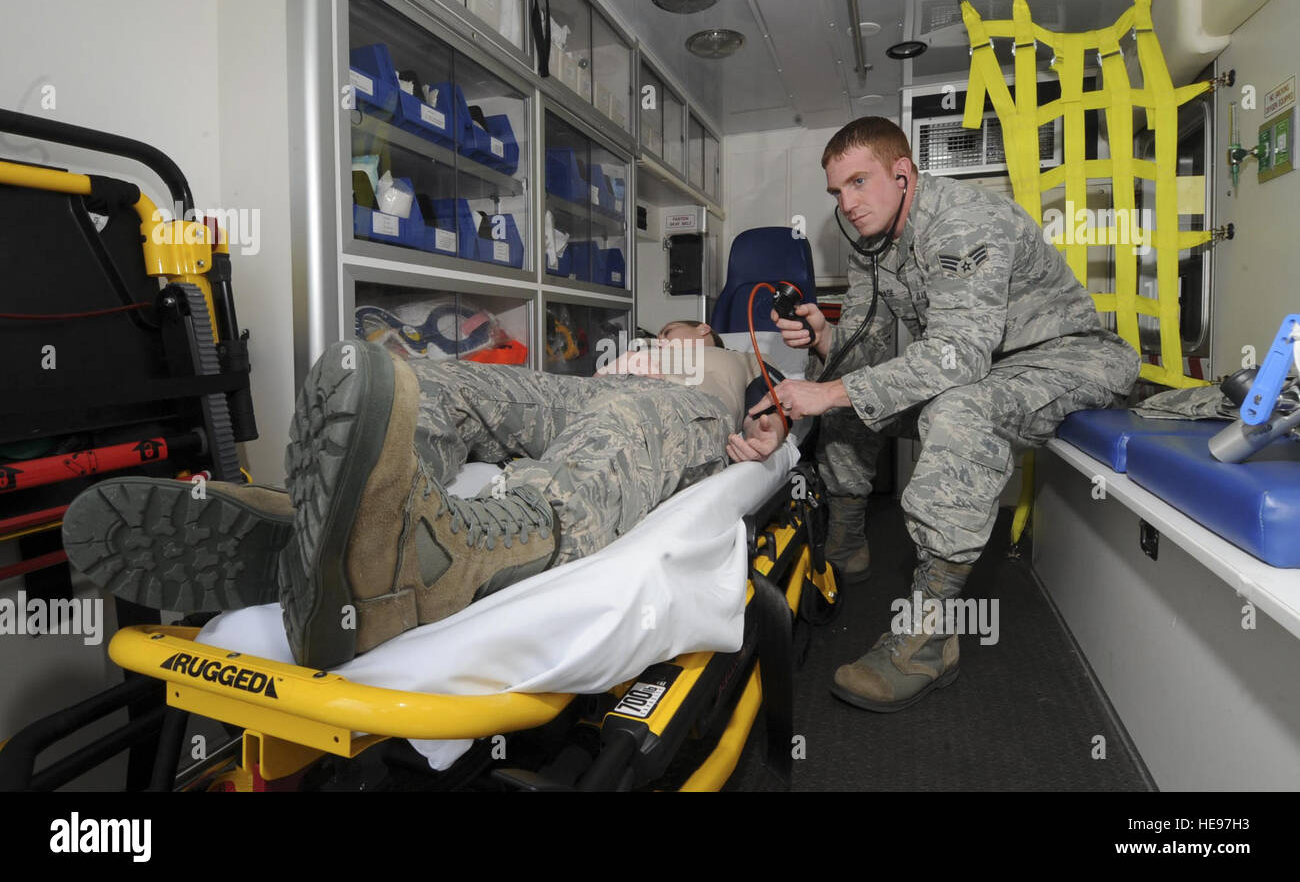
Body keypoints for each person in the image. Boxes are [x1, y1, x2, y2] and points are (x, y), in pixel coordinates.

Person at [62, 322, 787, 669]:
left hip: (669, 411)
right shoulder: (628, 348)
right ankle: (364, 521)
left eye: (684, 330)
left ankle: (467, 552)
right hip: (578, 392)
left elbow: (779, 419)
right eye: (666, 331)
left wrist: (767, 426)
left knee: (622, 424)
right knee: (439, 381)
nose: (672, 334)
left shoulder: (727, 367)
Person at [754, 116, 1140, 713]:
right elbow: (867, 344)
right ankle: (848, 545)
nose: (847, 204)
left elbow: (958, 358)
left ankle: (930, 639)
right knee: (847, 388)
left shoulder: (964, 221)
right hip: (990, 366)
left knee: (956, 411)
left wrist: (826, 394)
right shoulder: (873, 241)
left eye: (859, 182)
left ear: (903, 173)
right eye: (836, 192)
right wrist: (825, 338)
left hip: (1066, 360)